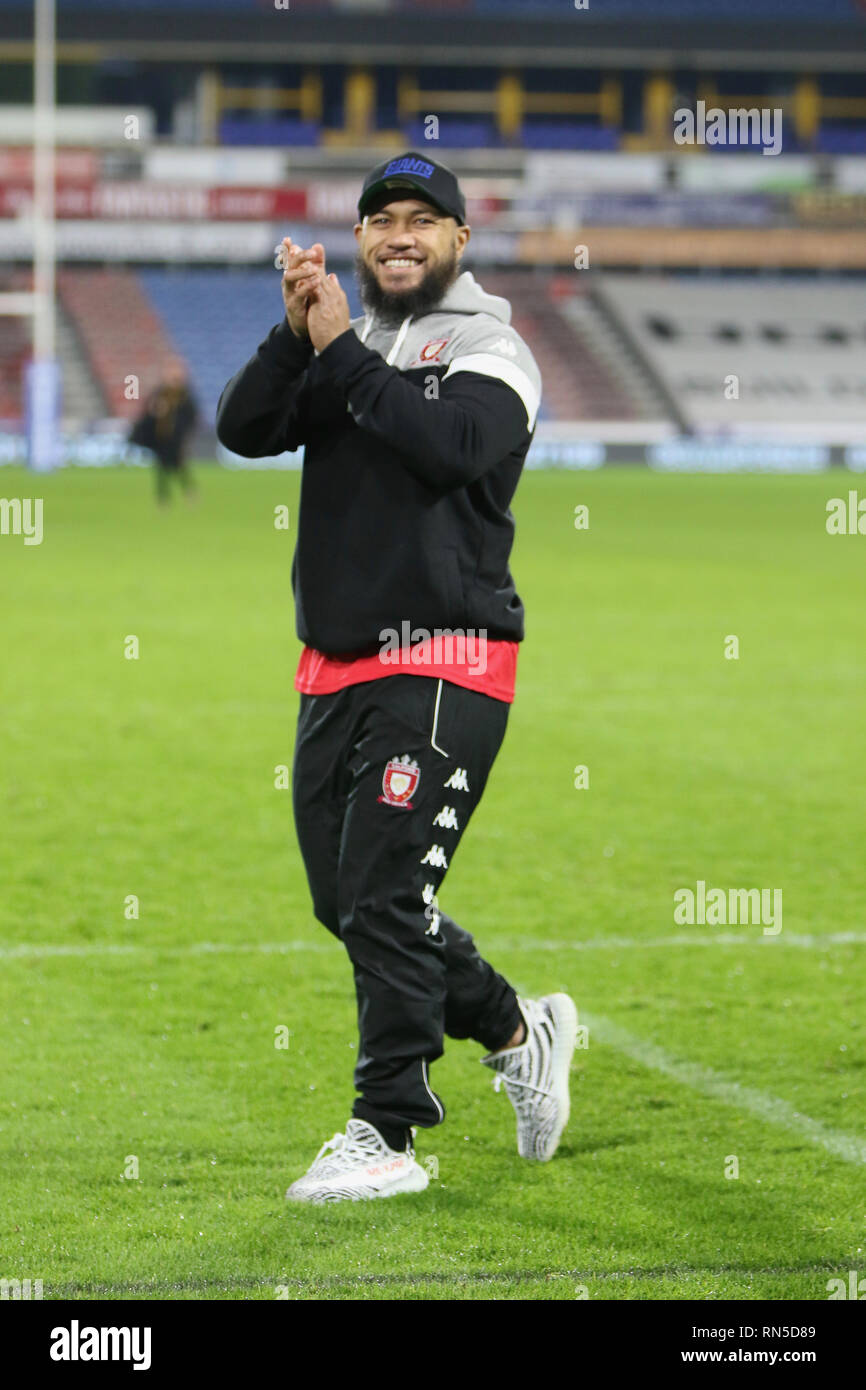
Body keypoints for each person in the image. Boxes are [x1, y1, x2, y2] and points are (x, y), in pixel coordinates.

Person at [216, 151, 578, 1204]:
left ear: (459, 239)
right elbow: (243, 428)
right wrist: (299, 333)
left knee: (380, 891)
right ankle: (518, 1029)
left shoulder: (491, 348)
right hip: (332, 667)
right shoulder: (346, 342)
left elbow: (447, 446)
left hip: (446, 657)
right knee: (357, 904)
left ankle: (387, 1133)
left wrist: (338, 353)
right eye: (381, 220)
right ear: (361, 240)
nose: (400, 234)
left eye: (423, 218)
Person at [129, 357, 199, 505]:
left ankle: (189, 492)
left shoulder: (184, 395)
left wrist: (183, 431)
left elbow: (191, 416)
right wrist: (154, 410)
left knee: (179, 467)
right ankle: (163, 498)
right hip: (161, 438)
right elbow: (147, 413)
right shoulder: (159, 393)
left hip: (176, 439)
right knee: (161, 469)